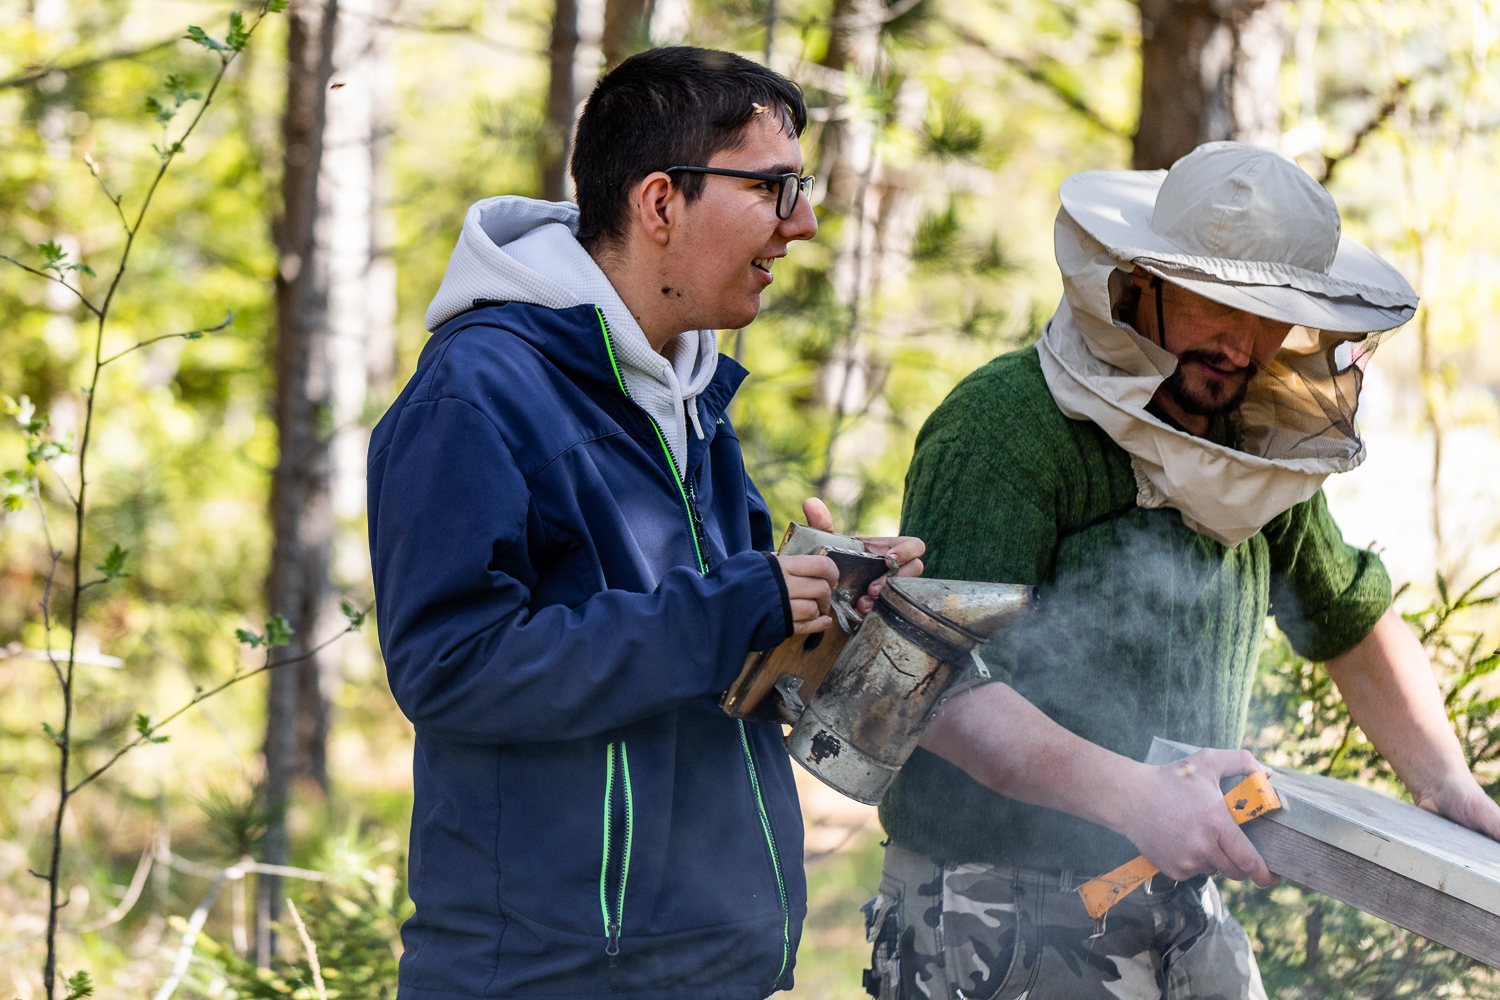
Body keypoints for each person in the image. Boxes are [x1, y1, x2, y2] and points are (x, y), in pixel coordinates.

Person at [862, 141, 1500, 1000]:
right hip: (992, 905)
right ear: (1139, 281)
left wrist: (1447, 784)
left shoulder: (1254, 444)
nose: (1240, 343)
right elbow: (937, 686)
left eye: (1271, 313)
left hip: (1179, 899)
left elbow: (1349, 618)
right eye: (1214, 302)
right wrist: (1137, 797)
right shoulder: (1005, 427)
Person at [368, 46, 924, 1000]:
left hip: (708, 964)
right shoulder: (475, 393)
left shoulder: (690, 389)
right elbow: (451, 669)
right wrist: (727, 609)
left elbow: (708, 664)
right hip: (550, 976)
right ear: (661, 201)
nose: (803, 222)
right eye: (774, 187)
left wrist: (826, 603)